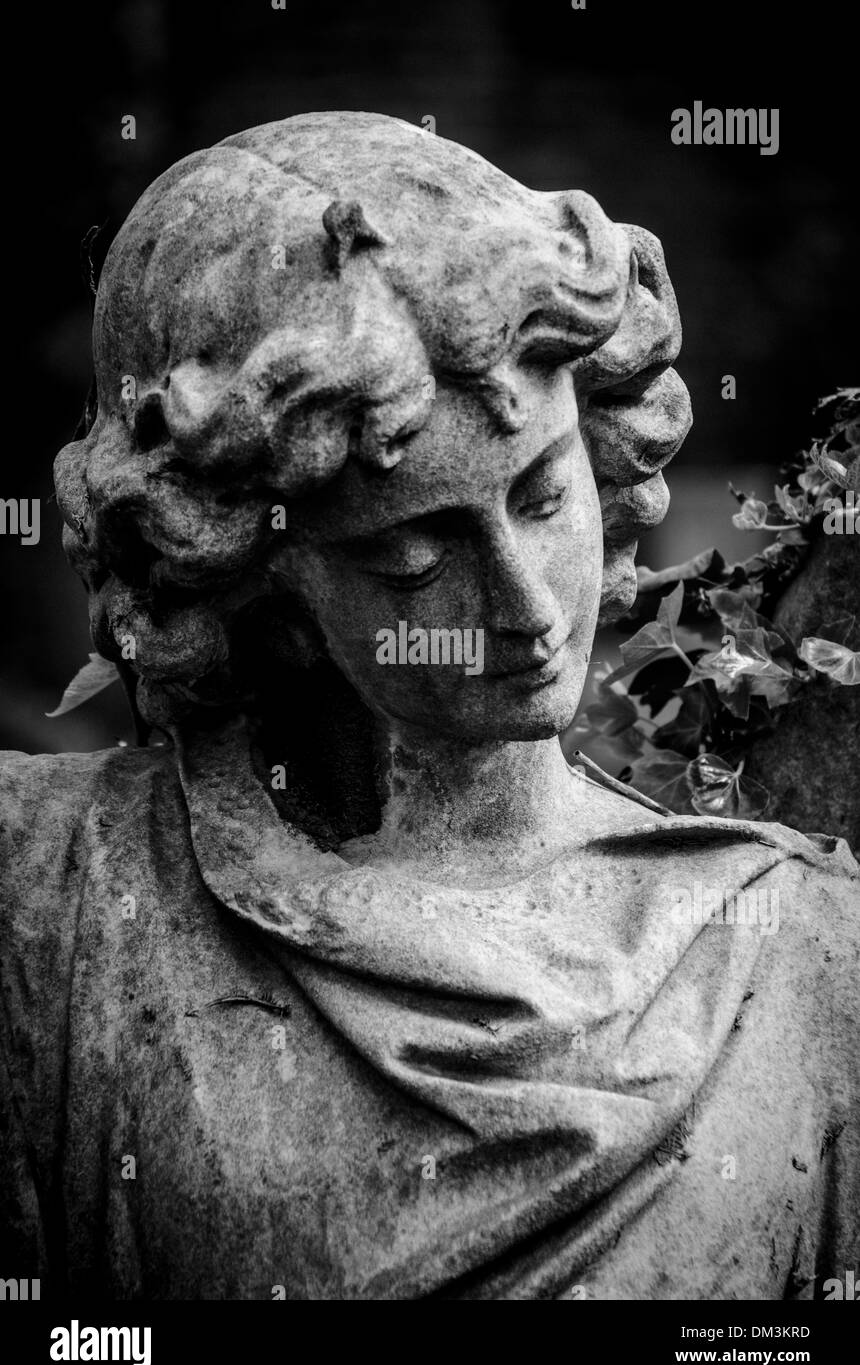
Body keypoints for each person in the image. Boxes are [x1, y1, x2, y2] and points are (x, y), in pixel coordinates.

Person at [1, 112, 856, 1299]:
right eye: (412, 560)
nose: (523, 605)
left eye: (548, 494)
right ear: (259, 577)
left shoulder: (805, 949)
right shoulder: (54, 895)